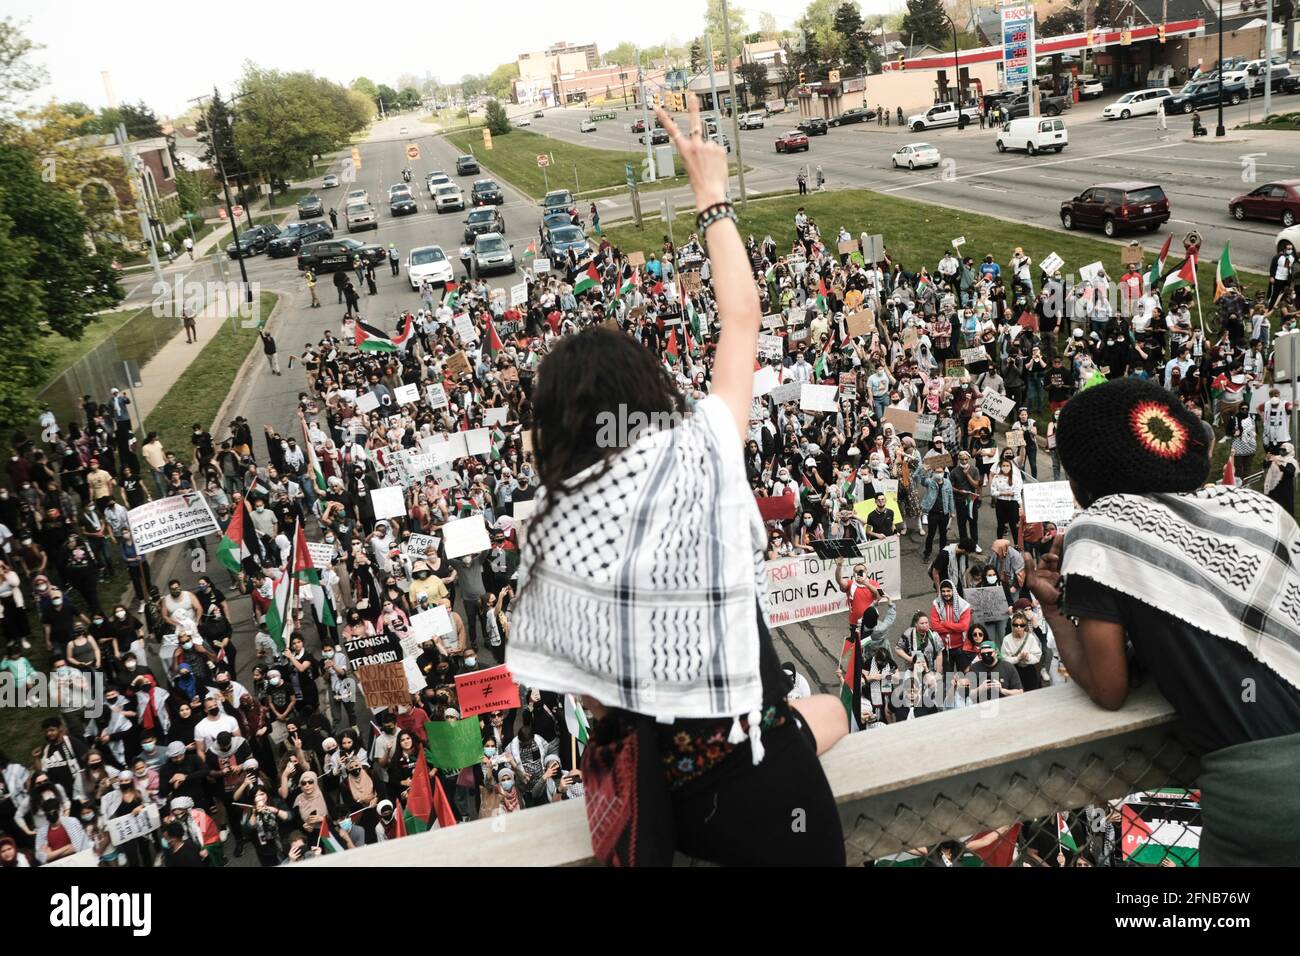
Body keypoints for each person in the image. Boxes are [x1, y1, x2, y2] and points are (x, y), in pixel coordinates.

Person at [508, 95, 847, 867]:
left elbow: (600, 706)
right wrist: (711, 198)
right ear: (646, 391)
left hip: (670, 816)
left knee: (825, 713)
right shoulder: (702, 451)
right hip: (775, 793)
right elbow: (742, 322)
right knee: (826, 715)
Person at [1030, 378, 1300, 865]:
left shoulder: (1100, 528)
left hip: (1268, 792)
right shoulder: (1259, 511)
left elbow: (1109, 689)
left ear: (1078, 481)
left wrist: (1055, 611)